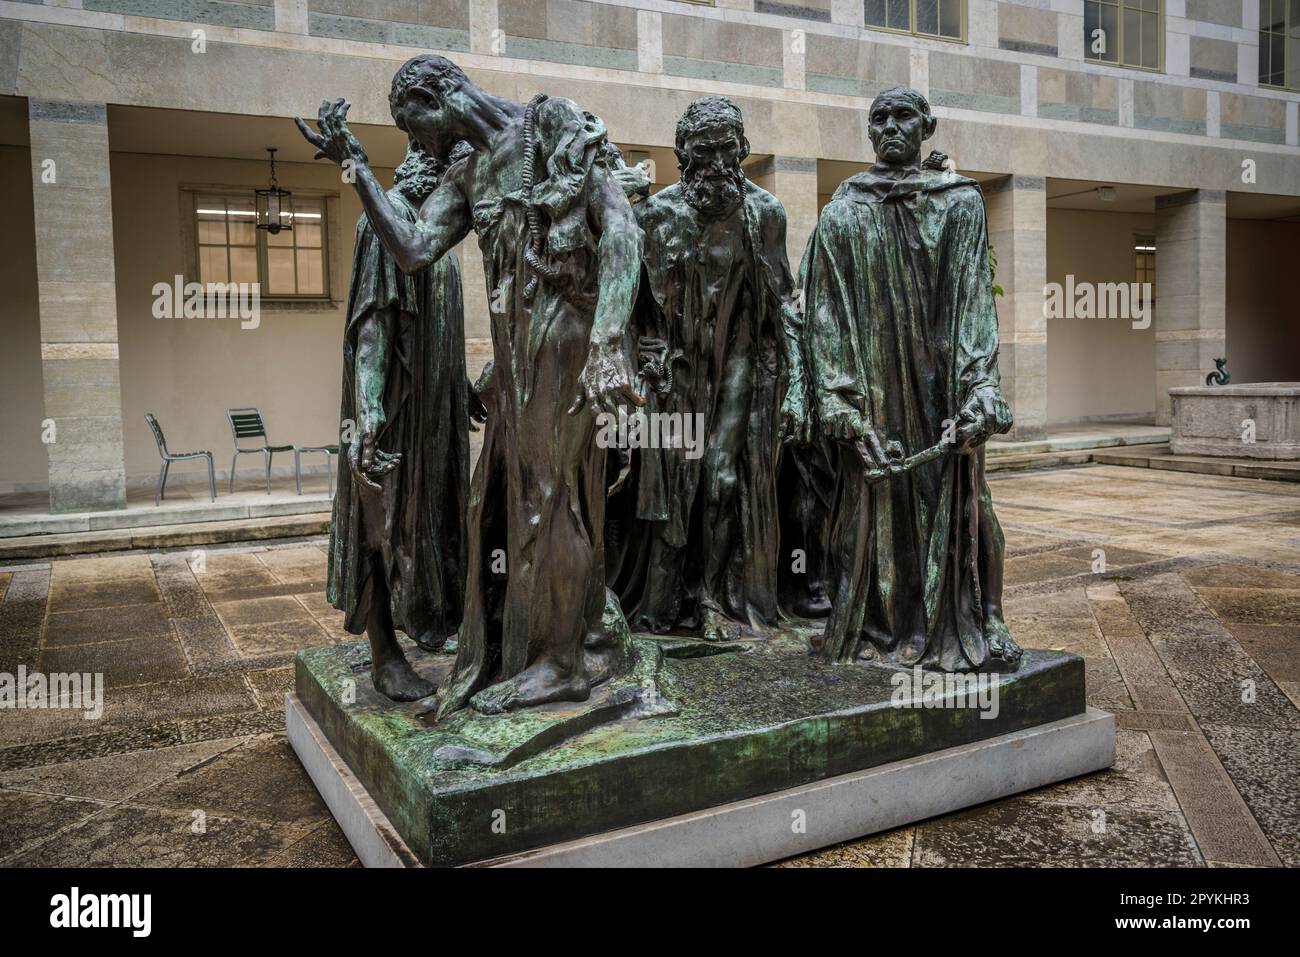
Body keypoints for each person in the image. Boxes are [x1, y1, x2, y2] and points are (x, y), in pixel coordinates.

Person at [298, 55, 645, 717]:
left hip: (570, 345)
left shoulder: (552, 126)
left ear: (439, 95)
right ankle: (578, 636)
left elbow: (621, 230)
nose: (415, 141)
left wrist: (606, 341)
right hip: (517, 363)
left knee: (548, 499)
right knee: (512, 504)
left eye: (412, 123)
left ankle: (560, 665)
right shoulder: (467, 172)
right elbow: (412, 246)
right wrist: (357, 168)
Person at [801, 85, 1022, 672]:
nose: (891, 127)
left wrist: (979, 389)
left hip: (942, 390)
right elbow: (823, 315)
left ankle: (989, 616)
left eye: (904, 116)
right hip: (870, 393)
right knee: (865, 511)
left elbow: (975, 300)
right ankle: (884, 620)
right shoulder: (843, 210)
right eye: (880, 118)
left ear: (927, 126)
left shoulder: (960, 203)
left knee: (969, 502)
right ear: (868, 131)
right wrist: (840, 403)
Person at [326, 140, 475, 700]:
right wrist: (368, 410)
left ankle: (428, 628)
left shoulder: (437, 243)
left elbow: (433, 328)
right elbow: (373, 326)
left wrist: (457, 382)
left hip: (434, 411)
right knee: (378, 526)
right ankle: (385, 655)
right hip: (392, 410)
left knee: (424, 523)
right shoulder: (383, 224)